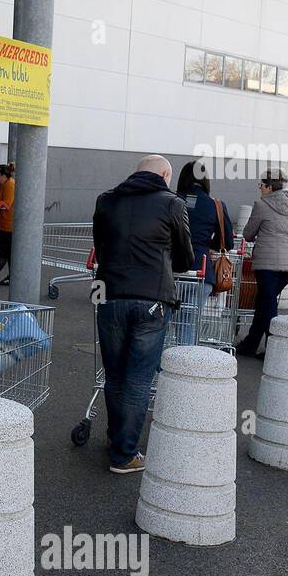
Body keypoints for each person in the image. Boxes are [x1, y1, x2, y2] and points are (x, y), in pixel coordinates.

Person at [92, 155, 194, 474]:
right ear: (165, 174)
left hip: (109, 294)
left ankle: (115, 438)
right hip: (152, 297)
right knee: (139, 378)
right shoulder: (171, 203)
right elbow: (185, 258)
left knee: (116, 374)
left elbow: (101, 247)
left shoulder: (106, 201)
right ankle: (125, 454)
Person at [236, 168, 288, 358]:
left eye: (261, 185)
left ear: (268, 186)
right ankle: (250, 344)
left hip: (267, 265)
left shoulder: (261, 204)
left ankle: (275, 349)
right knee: (264, 302)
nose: (259, 188)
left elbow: (248, 234)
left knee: (267, 305)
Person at [175, 160, 233, 346]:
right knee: (188, 324)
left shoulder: (170, 199)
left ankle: (159, 367)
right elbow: (228, 242)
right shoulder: (216, 205)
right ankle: (184, 368)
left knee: (163, 322)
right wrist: (207, 242)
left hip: (170, 270)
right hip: (201, 270)